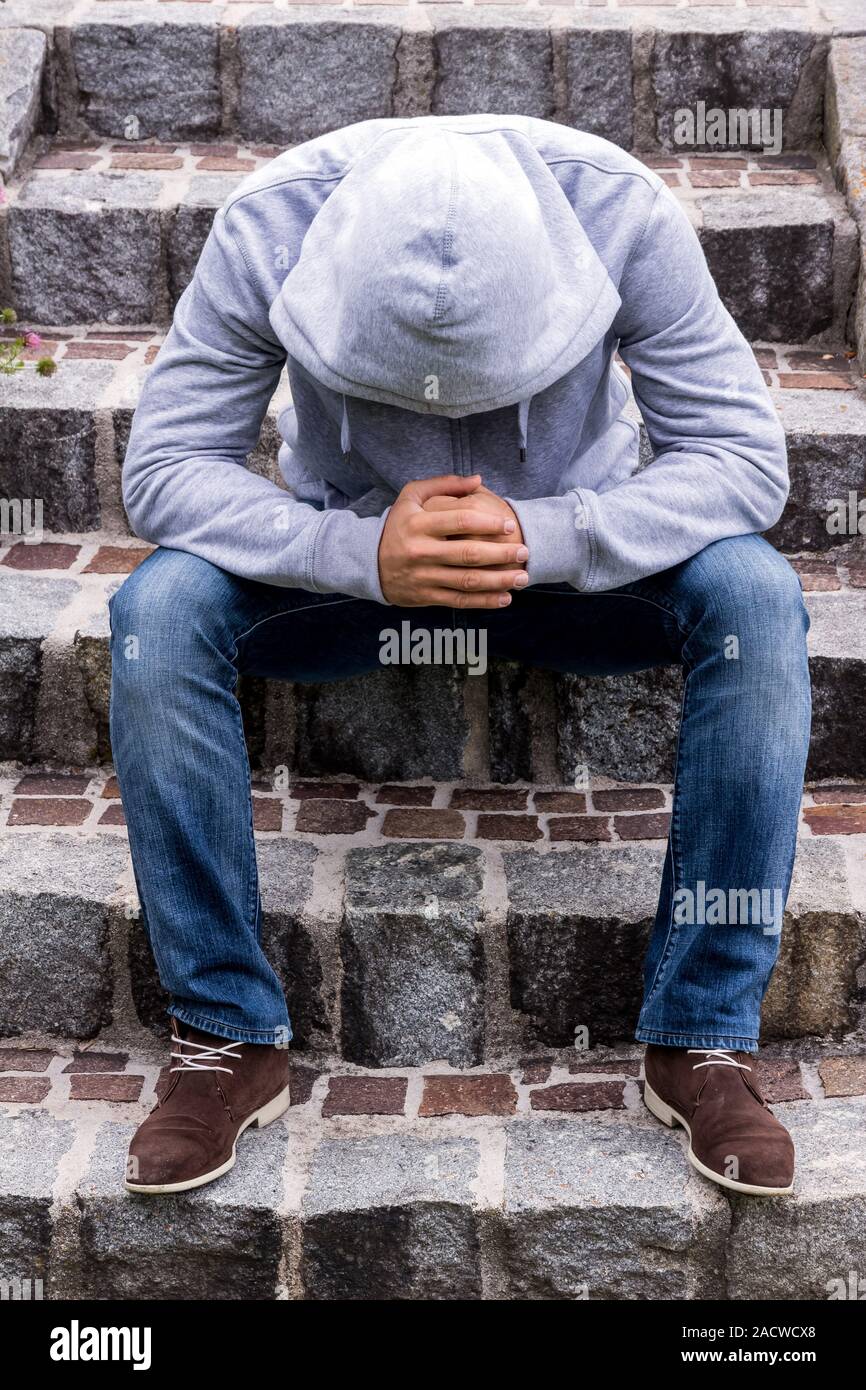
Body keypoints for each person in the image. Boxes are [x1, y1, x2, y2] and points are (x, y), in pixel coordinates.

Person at [110, 115, 810, 1197]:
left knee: (755, 596)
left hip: (574, 573)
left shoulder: (617, 211)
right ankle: (226, 1033)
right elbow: (162, 469)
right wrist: (351, 550)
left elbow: (742, 461)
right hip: (349, 578)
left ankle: (702, 1033)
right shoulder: (269, 227)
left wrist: (556, 532)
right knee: (156, 611)